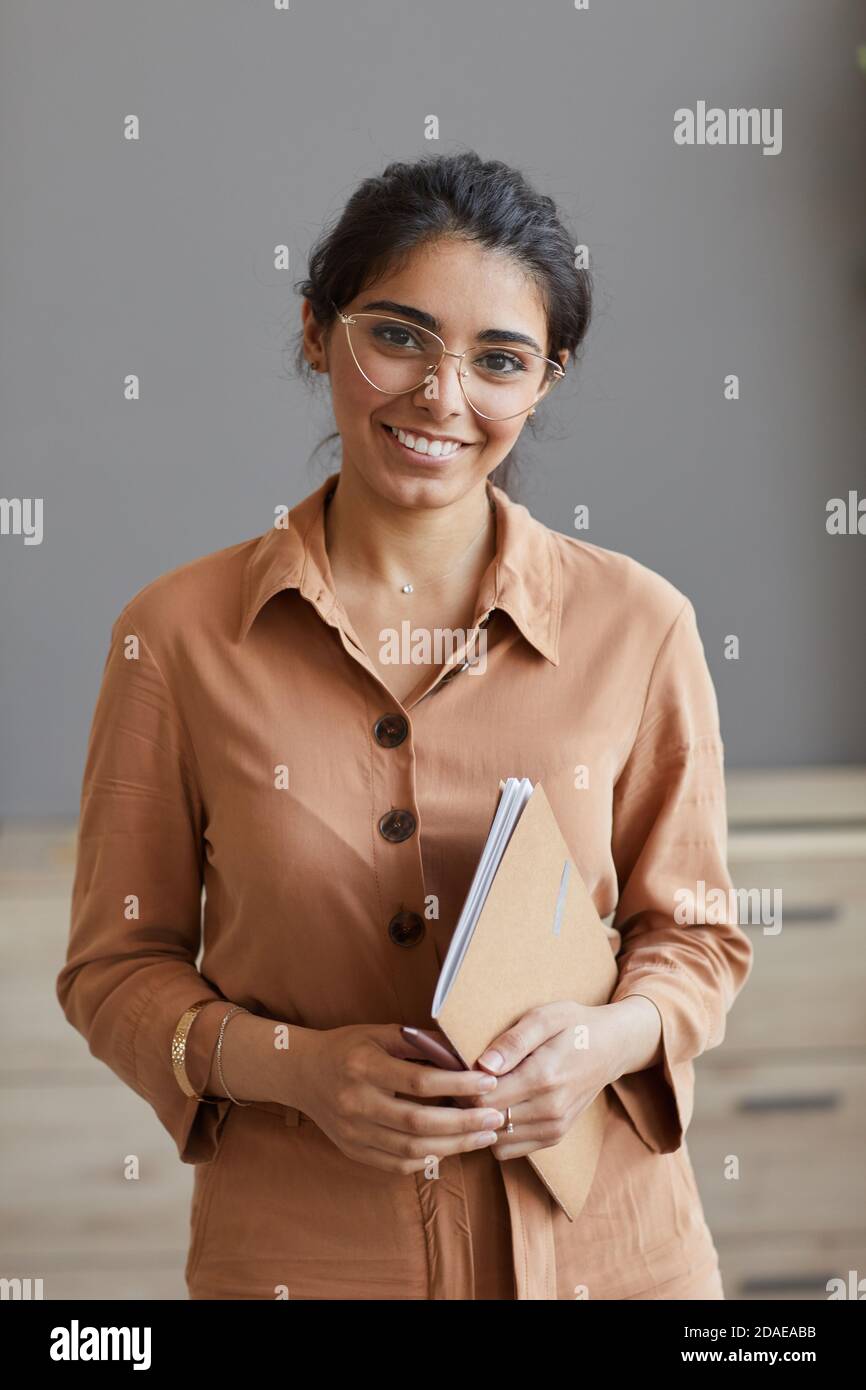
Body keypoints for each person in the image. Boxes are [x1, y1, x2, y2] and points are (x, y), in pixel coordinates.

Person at [57, 150, 753, 1300]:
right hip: (303, 1260)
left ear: (544, 381)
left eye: (497, 360)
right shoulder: (174, 636)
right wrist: (296, 1067)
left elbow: (698, 938)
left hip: (613, 1260)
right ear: (315, 331)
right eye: (397, 336)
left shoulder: (640, 625)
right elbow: (114, 968)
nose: (440, 397)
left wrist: (606, 1040)